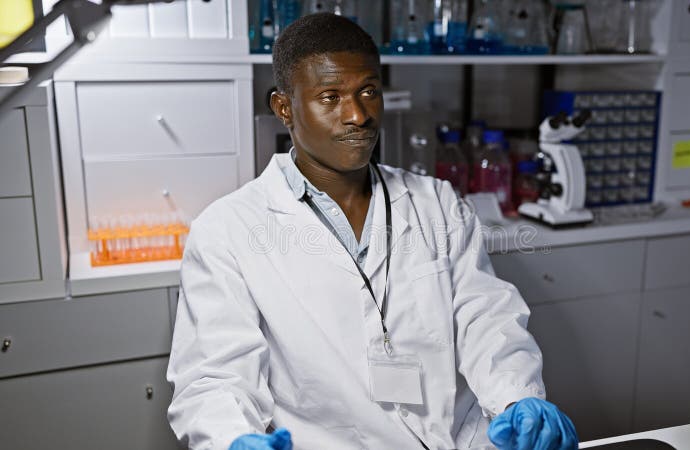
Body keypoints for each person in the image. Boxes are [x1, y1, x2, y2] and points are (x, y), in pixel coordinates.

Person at [166, 12, 578, 450]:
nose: (359, 115)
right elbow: (213, 378)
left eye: (369, 92)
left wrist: (517, 399)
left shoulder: (436, 202)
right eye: (330, 97)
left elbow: (485, 318)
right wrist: (233, 440)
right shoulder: (227, 231)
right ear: (283, 107)